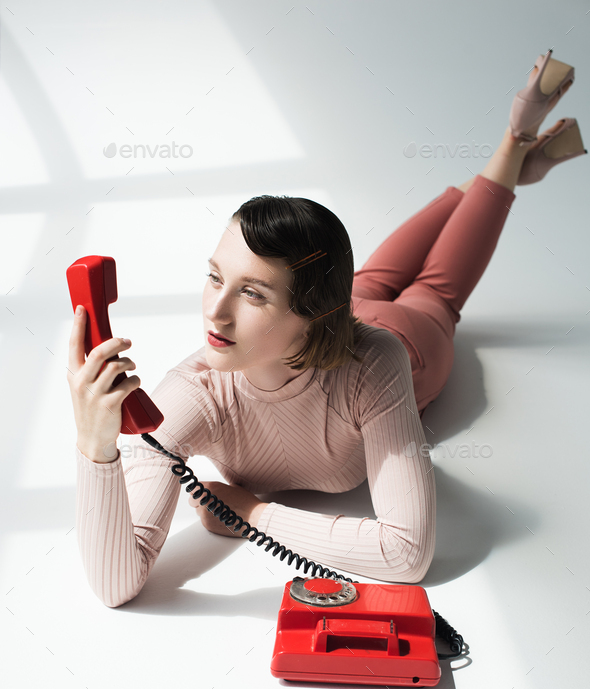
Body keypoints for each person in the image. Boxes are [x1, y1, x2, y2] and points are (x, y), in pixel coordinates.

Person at [68, 51, 584, 608]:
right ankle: (504, 166)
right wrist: (95, 448)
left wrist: (248, 513)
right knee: (371, 274)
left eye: (251, 293)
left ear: (310, 310)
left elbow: (407, 553)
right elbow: (115, 586)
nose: (214, 313)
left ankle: (512, 145)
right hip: (345, 292)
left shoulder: (377, 363)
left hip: (411, 340)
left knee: (433, 292)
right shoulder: (190, 392)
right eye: (215, 277)